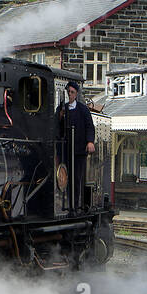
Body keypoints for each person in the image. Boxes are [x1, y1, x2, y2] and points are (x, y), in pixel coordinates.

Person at [56, 80, 95, 211]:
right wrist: (59, 117)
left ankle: (75, 204)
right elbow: (56, 128)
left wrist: (90, 142)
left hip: (79, 150)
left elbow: (90, 126)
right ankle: (66, 202)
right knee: (64, 177)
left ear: (76, 94)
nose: (70, 95)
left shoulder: (83, 110)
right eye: (68, 92)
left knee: (76, 177)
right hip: (65, 150)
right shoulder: (61, 109)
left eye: (72, 92)